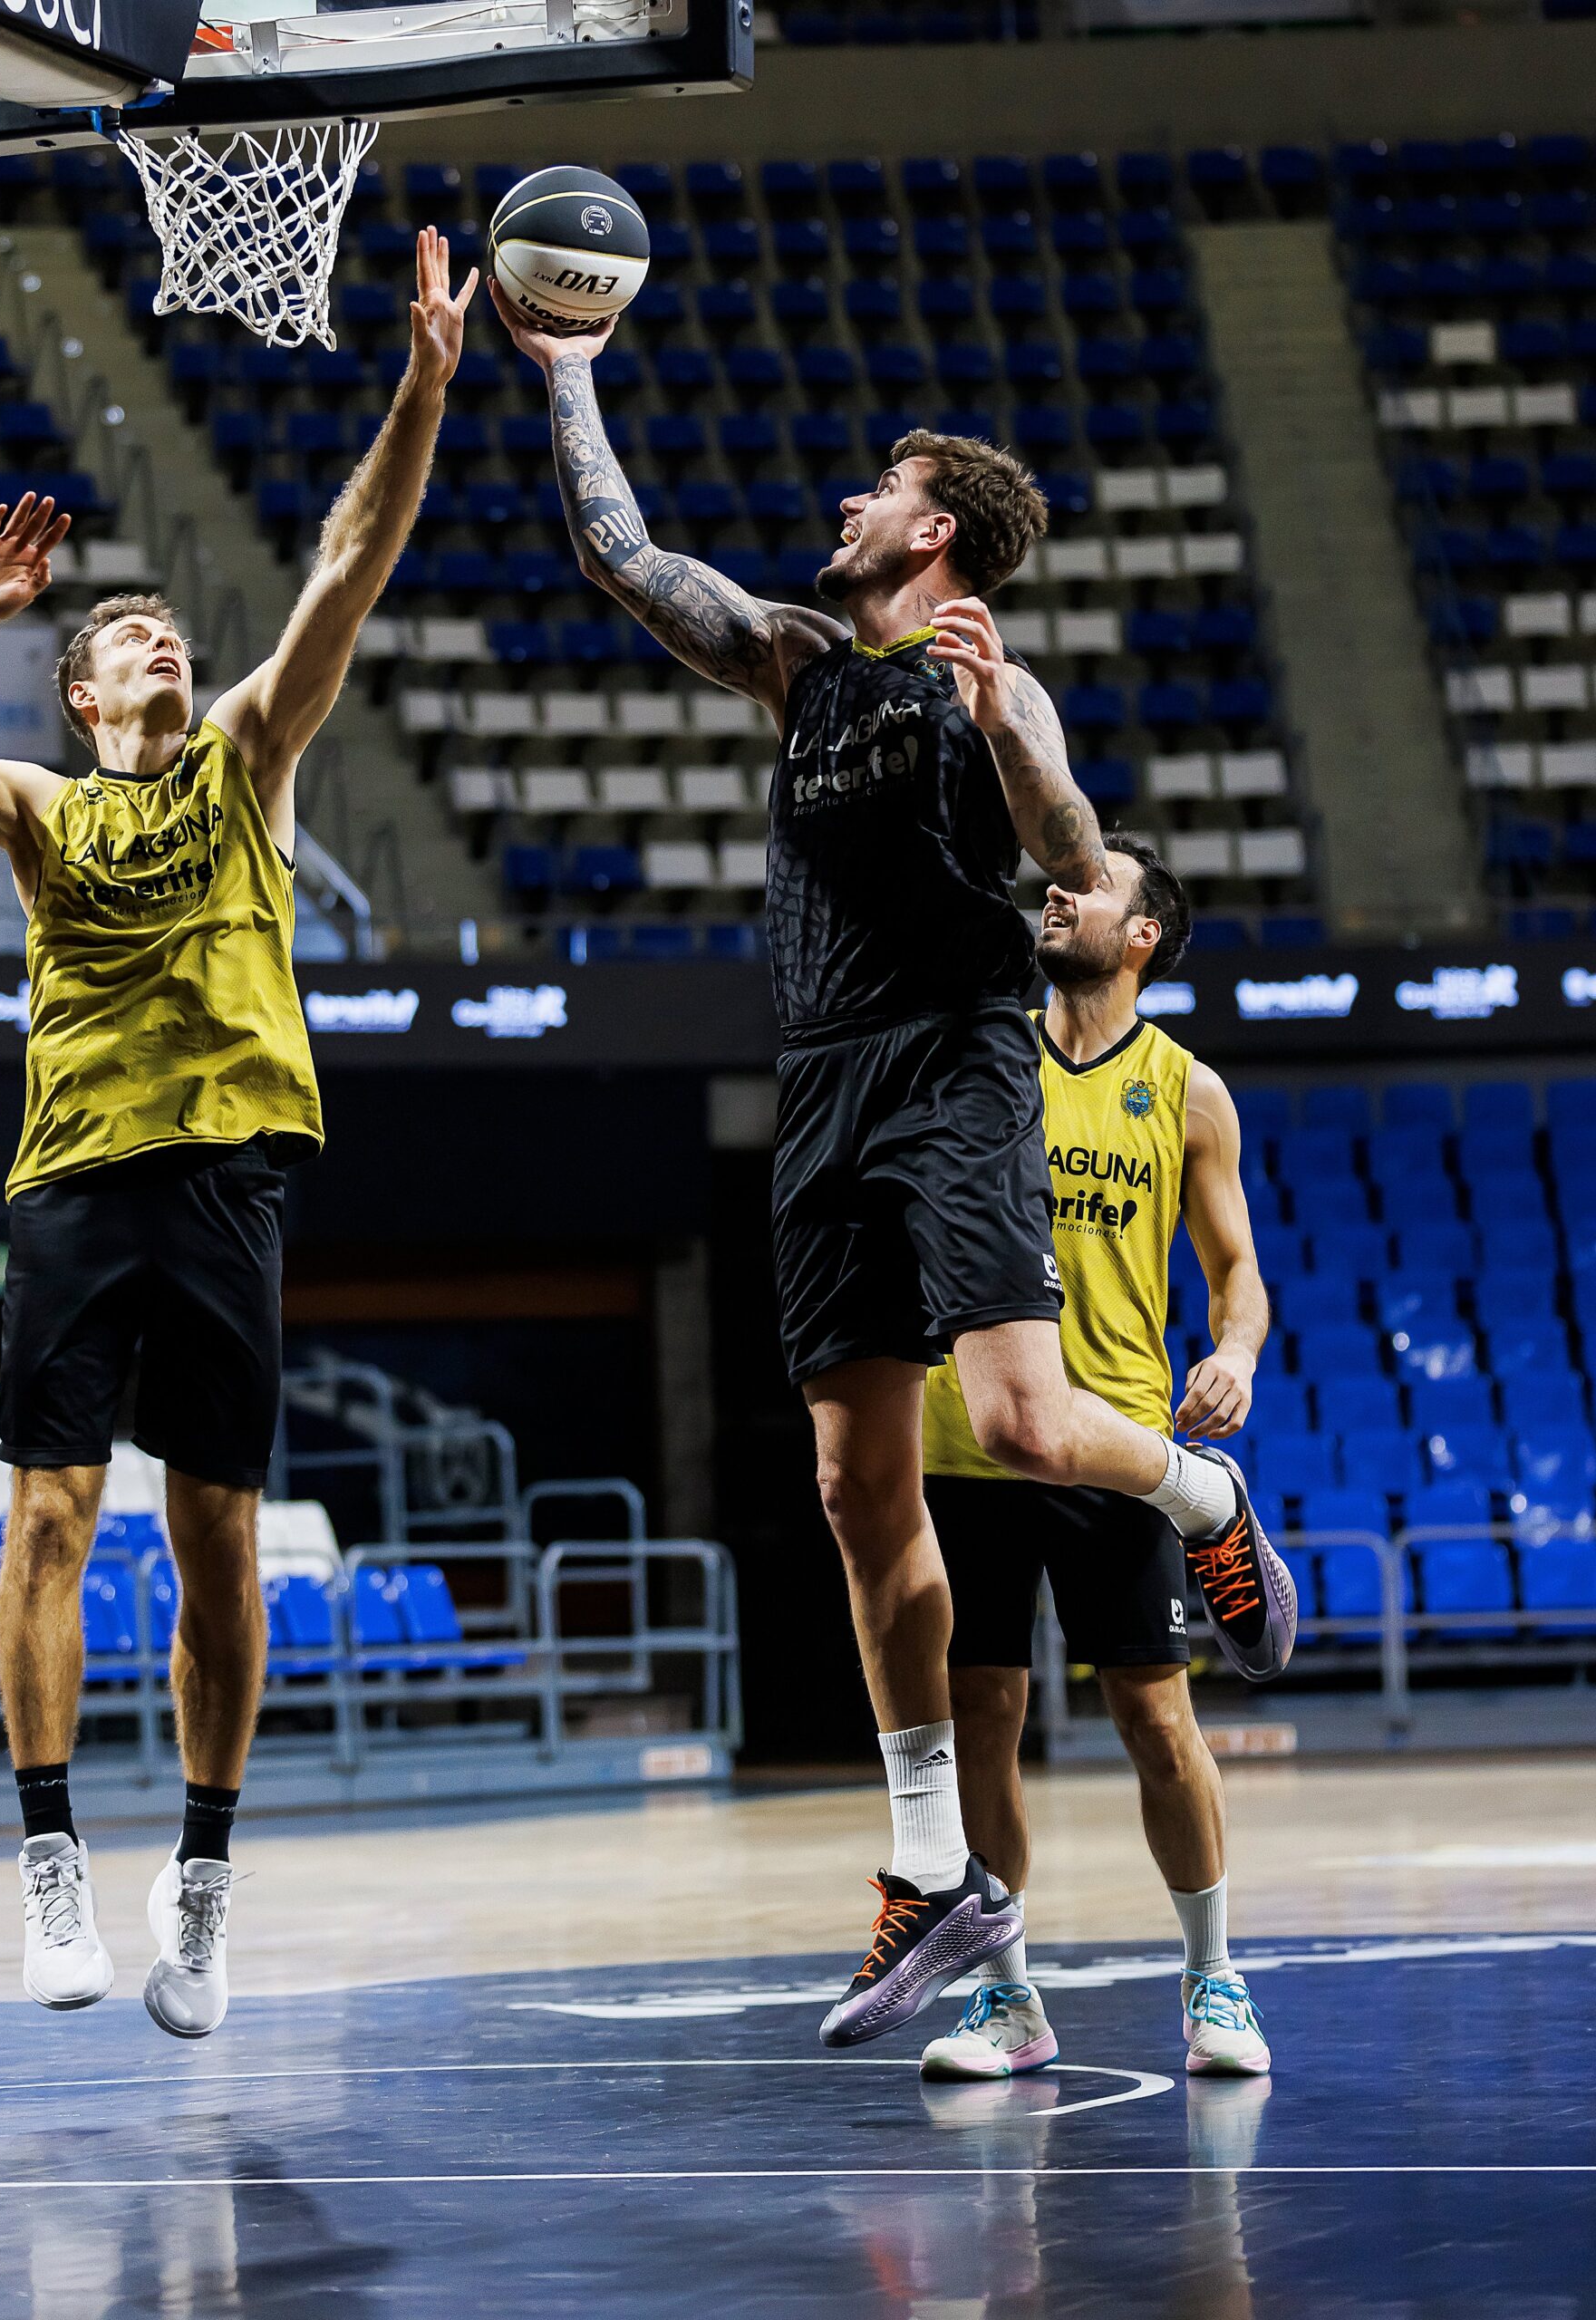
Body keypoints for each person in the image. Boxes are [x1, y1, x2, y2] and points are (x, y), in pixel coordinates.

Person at [494, 285, 1294, 2051]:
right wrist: (565, 377)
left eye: (876, 485)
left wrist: (1015, 733)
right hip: (821, 1084)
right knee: (861, 1491)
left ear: (929, 529)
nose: (843, 500)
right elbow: (625, 555)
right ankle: (932, 1874)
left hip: (951, 1068)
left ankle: (1201, 1501)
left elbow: (1073, 853)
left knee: (1016, 1422)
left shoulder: (988, 683)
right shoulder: (794, 657)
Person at [0, 229, 478, 2039]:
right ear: (83, 694)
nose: (157, 640)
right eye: (124, 636)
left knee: (217, 1538)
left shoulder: (250, 759)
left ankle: (199, 1873)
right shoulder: (39, 807)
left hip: (225, 1185)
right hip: (70, 1187)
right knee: (47, 1520)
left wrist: (421, 390)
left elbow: (348, 561)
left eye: (166, 628)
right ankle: (50, 1860)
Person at [918, 838, 1275, 2081]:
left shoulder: (1187, 1091)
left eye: (1094, 882)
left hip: (1116, 1437)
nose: (1059, 890)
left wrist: (1233, 1353)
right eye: (1056, 877)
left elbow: (1239, 1274)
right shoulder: (983, 1053)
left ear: (1143, 936)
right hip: (964, 1433)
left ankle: (1214, 1982)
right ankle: (1008, 2001)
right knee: (983, 1716)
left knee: (1152, 1713)